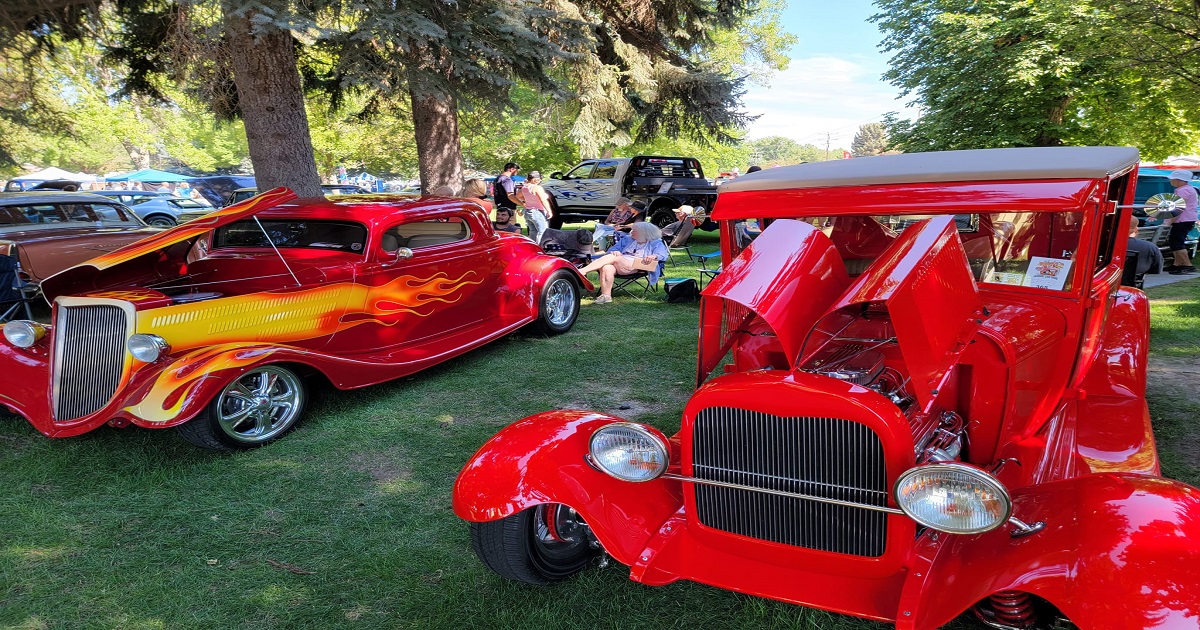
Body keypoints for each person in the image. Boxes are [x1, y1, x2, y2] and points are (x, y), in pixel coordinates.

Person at [578, 221, 668, 304]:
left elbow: (662, 254)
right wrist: (615, 251)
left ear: (644, 233)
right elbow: (612, 250)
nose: (631, 232)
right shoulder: (627, 239)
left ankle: (583, 271)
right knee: (607, 267)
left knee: (614, 257)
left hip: (638, 265)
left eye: (635, 231)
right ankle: (606, 296)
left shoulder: (655, 242)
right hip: (620, 263)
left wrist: (654, 256)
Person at [1157, 169, 1197, 274]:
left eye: (1172, 179)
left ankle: (1188, 265)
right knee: (1175, 242)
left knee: (1177, 242)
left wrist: (1169, 222)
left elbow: (1178, 208)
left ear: (1179, 180)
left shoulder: (1182, 191)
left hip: (1182, 220)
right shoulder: (1188, 189)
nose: (1171, 181)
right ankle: (1177, 264)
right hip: (1187, 219)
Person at [519, 170, 553, 244]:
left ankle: (533, 247)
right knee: (543, 232)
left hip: (528, 211)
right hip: (538, 212)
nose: (540, 181)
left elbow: (518, 196)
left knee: (533, 232)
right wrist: (549, 211)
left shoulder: (524, 187)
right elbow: (543, 200)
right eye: (539, 179)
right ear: (535, 179)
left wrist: (526, 199)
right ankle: (541, 247)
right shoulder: (537, 188)